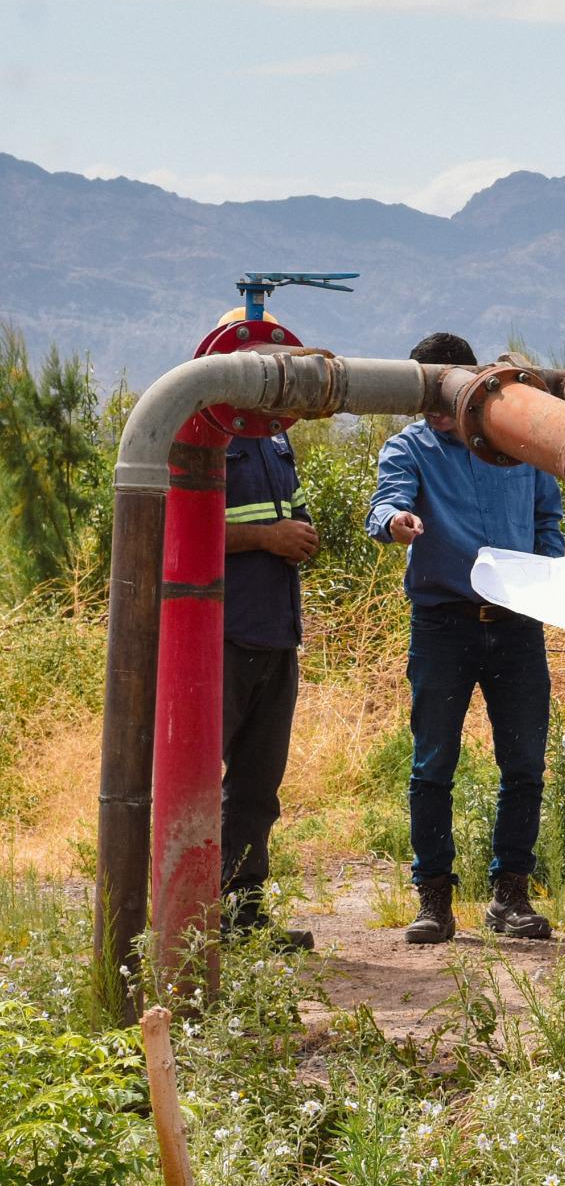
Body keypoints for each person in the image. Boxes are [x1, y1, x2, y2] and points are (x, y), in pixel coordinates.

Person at [365, 333, 565, 945]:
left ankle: (510, 897)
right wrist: (396, 522)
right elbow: (385, 504)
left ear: (470, 387)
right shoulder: (409, 448)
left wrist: (546, 574)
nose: (434, 406)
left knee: (524, 765)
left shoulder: (518, 446)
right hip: (443, 626)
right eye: (423, 395)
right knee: (433, 765)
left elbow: (547, 519)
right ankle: (434, 902)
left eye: (443, 392)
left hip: (517, 626)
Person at [220, 365, 319, 951]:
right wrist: (265, 537)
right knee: (194, 782)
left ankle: (243, 917)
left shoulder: (275, 437)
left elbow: (295, 511)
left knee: (257, 788)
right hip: (221, 637)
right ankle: (189, 918)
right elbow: (174, 525)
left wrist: (301, 533)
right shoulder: (203, 432)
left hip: (276, 636)